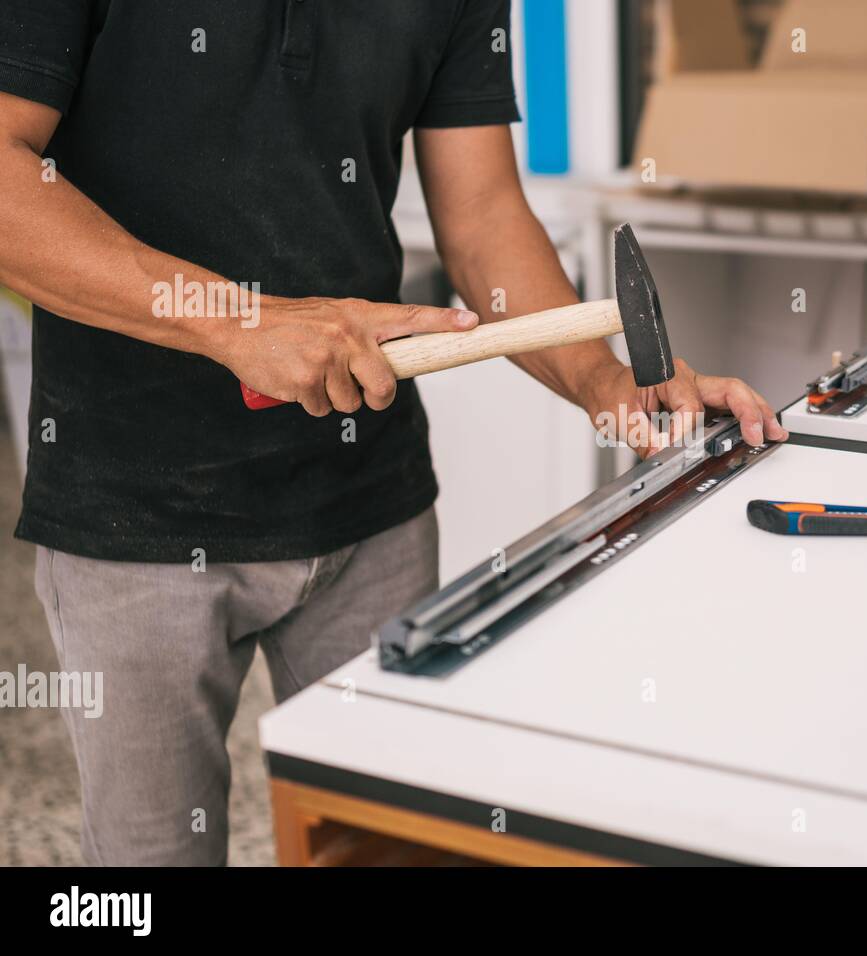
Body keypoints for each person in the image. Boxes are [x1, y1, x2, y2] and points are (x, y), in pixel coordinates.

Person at [0, 0, 786, 865]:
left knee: (389, 844)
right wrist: (238, 322)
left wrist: (607, 381)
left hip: (370, 509)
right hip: (129, 510)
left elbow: (483, 213)